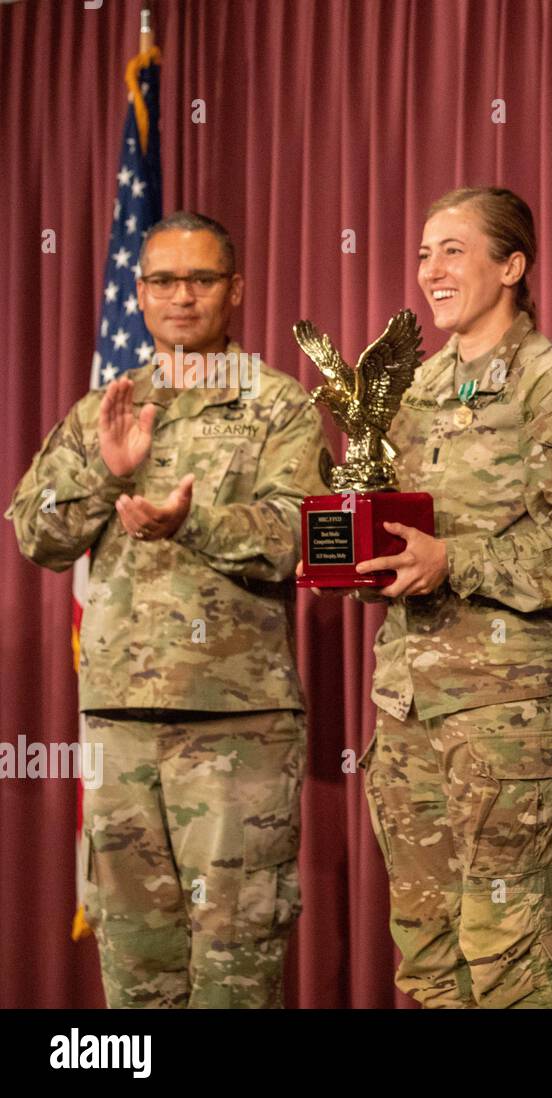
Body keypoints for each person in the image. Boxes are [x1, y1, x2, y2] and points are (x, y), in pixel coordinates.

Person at [7, 211, 328, 1007]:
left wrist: (195, 522)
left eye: (201, 279)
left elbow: (302, 537)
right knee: (135, 974)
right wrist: (105, 477)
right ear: (139, 295)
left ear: (235, 290)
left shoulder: (279, 405)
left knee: (234, 971)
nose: (180, 296)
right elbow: (33, 535)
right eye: (162, 281)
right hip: (118, 723)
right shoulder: (105, 408)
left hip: (236, 727)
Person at [339, 187, 552, 1007]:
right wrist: (357, 562)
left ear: (513, 265)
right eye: (425, 252)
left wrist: (452, 560)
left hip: (510, 724)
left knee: (514, 962)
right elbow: (394, 534)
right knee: (426, 960)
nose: (432, 270)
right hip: (409, 713)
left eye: (453, 250)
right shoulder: (412, 390)